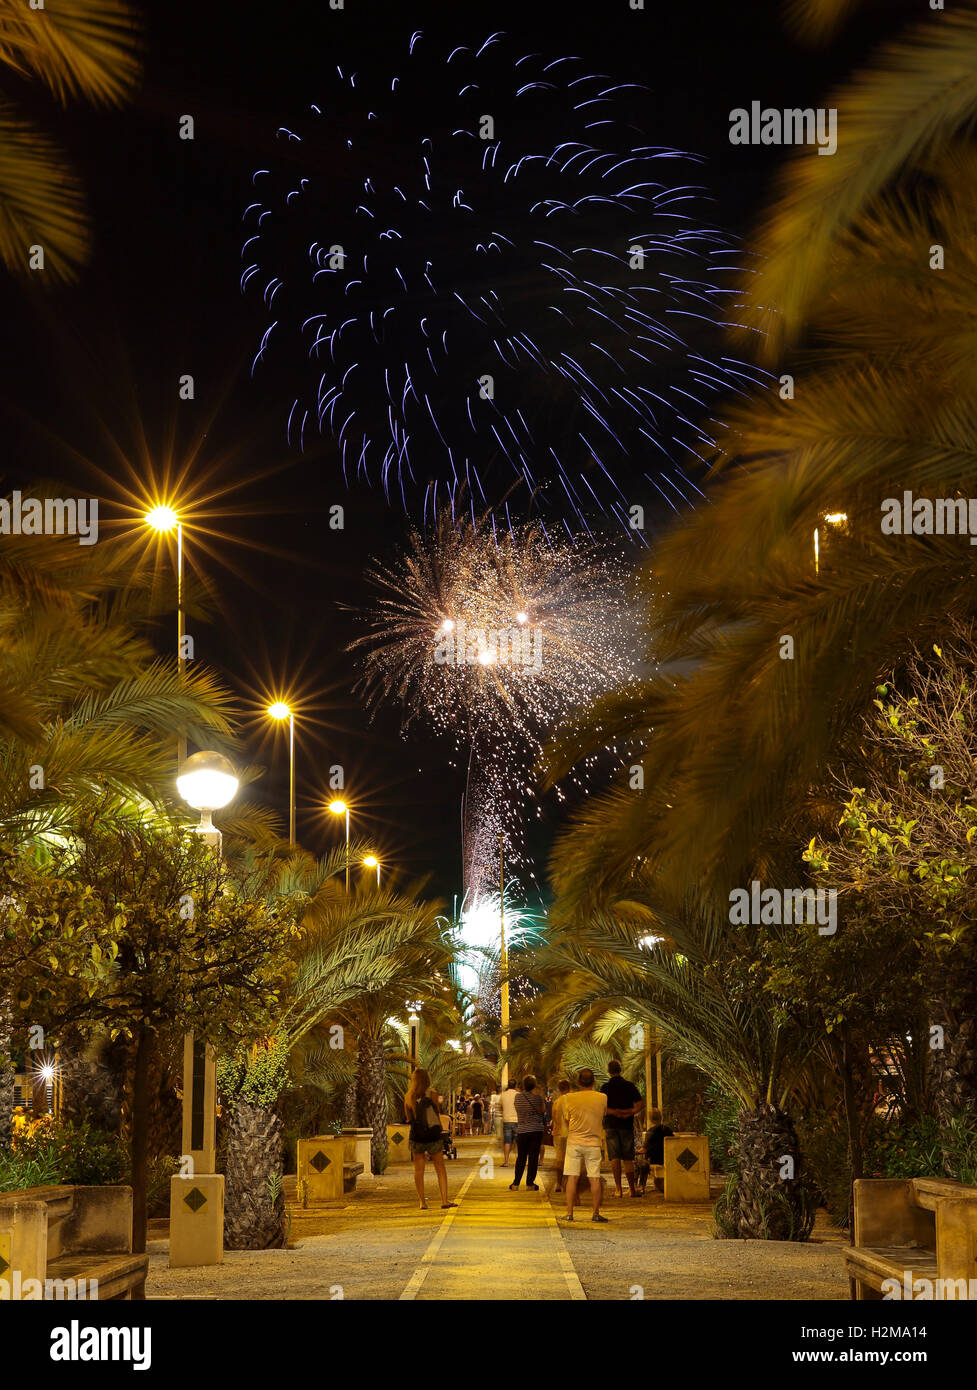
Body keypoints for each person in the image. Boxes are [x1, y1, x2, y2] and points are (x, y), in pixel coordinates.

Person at [404, 1067, 458, 1211]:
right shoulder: (432, 1093)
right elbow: (436, 1113)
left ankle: (422, 1202)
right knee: (440, 1168)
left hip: (417, 1137)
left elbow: (408, 1118)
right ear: (427, 1079)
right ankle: (444, 1200)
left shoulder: (408, 1096)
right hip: (433, 1136)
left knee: (418, 1171)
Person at [562, 1069, 608, 1222]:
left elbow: (567, 1119)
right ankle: (595, 1213)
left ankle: (569, 1213)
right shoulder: (602, 1097)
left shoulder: (569, 1098)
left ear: (578, 1082)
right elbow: (604, 1114)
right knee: (594, 1178)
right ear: (594, 1082)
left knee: (572, 1178)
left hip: (574, 1142)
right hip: (594, 1143)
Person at [600, 1059, 644, 1198]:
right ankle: (631, 1189)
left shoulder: (605, 1088)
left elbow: (602, 1108)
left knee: (615, 1157)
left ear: (609, 1071)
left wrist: (615, 1112)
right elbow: (640, 1104)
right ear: (620, 1069)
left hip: (611, 1125)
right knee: (628, 1158)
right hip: (626, 1125)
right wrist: (629, 1112)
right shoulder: (629, 1086)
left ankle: (618, 1189)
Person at [510, 1074, 545, 1190]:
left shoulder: (518, 1098)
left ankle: (516, 1183)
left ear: (523, 1085)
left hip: (522, 1130)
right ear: (534, 1085)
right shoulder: (538, 1098)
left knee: (521, 1157)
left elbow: (518, 1110)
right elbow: (542, 1111)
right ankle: (530, 1183)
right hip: (535, 1130)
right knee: (533, 1157)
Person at [635, 1108, 675, 1194]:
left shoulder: (651, 1132)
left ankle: (639, 1186)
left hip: (655, 1160)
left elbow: (643, 1150)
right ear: (661, 1117)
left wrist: (634, 1152)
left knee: (640, 1163)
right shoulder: (668, 1130)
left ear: (650, 1119)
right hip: (667, 1159)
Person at [550, 1078, 571, 1193]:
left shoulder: (556, 1102)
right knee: (570, 1159)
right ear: (569, 1087)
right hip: (571, 1133)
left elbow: (554, 1118)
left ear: (559, 1089)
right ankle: (568, 1182)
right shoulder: (572, 1100)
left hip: (558, 1133)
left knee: (559, 1159)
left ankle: (558, 1183)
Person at [499, 1081, 519, 1166]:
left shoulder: (503, 1095)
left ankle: (506, 1161)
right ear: (515, 1086)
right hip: (517, 1120)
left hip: (507, 1120)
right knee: (518, 1142)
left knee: (507, 1141)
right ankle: (519, 1161)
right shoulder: (518, 1095)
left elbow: (501, 1107)